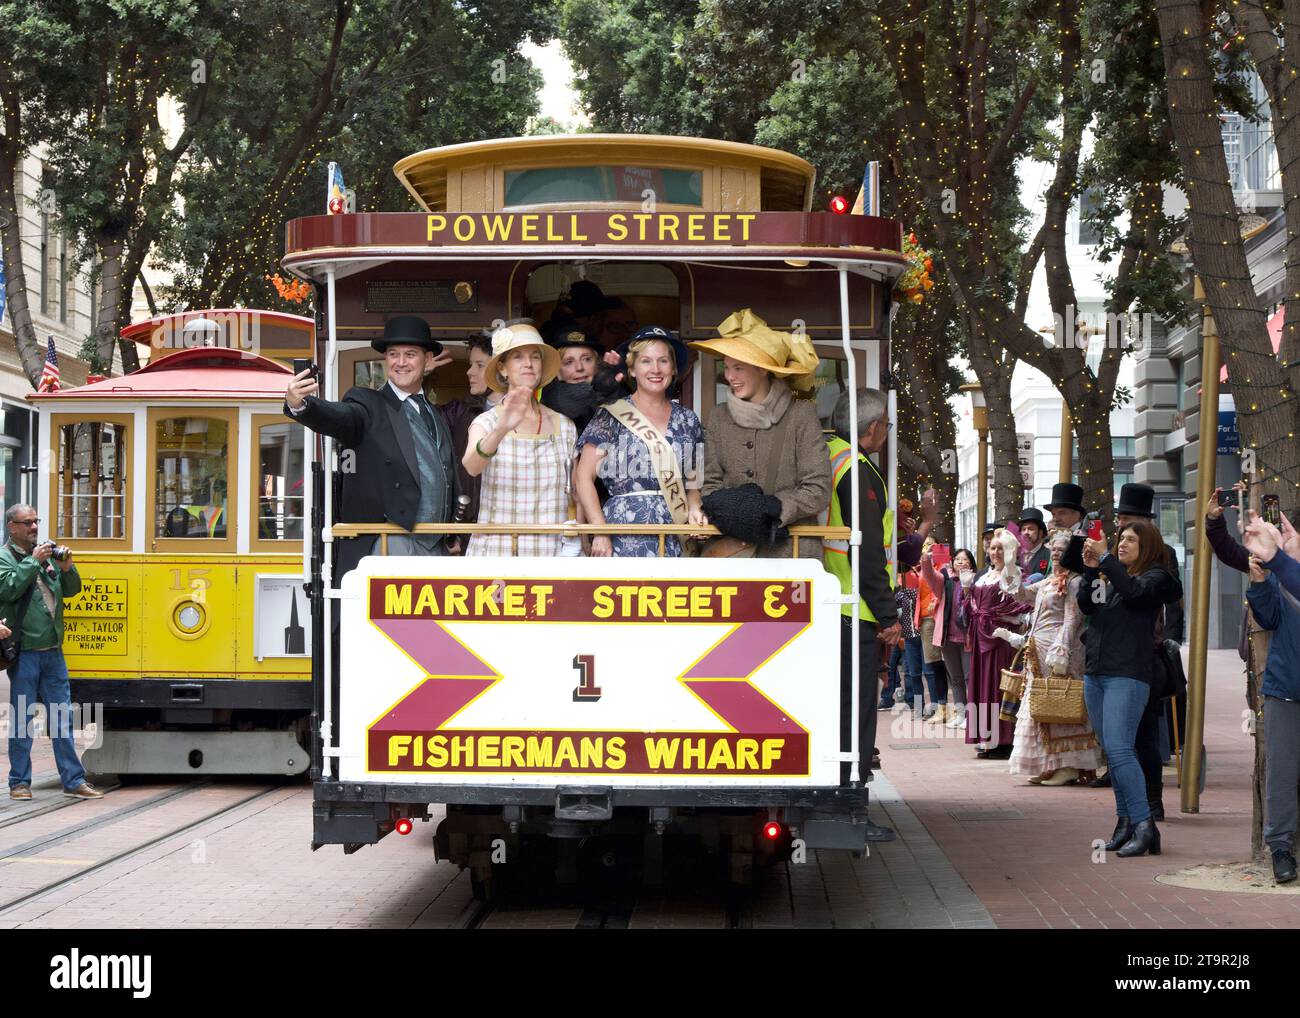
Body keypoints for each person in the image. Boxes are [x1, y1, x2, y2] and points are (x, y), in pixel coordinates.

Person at [286, 315, 458, 576]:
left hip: (438, 545)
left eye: (410, 354)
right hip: (390, 542)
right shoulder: (367, 404)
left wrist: (451, 532)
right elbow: (340, 415)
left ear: (428, 360)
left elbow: (446, 474)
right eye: (393, 354)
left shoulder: (436, 415)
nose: (400, 362)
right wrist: (301, 404)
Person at [821, 387, 901, 842]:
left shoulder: (833, 456)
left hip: (837, 602)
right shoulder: (857, 470)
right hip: (856, 607)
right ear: (872, 428)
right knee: (857, 715)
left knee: (843, 710)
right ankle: (849, 806)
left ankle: (842, 801)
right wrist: (890, 616)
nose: (885, 433)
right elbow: (869, 551)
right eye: (886, 426)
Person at [693, 309, 830, 560]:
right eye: (727, 368)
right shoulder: (718, 416)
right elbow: (709, 483)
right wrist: (734, 511)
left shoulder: (801, 414)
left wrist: (775, 508)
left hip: (792, 554)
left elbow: (818, 489)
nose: (730, 377)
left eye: (739, 368)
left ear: (762, 369)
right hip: (734, 556)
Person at [1078, 520, 1178, 857]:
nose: (1122, 544)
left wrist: (1105, 558)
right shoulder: (1111, 576)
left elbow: (1136, 594)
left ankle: (1144, 824)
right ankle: (1125, 823)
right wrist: (1092, 571)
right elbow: (1088, 606)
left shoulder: (1157, 578)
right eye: (1120, 539)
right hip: (1097, 673)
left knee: (1121, 749)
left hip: (1129, 673)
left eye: (1130, 540)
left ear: (1147, 545)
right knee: (1113, 752)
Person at [573, 328, 705, 557]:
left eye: (663, 361)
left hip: (677, 533)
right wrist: (600, 531)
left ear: (673, 369)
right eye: (646, 361)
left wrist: (694, 507)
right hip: (622, 535)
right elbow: (583, 478)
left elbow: (694, 481)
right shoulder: (611, 415)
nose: (655, 369)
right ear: (632, 370)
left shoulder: (689, 420)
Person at [1, 505, 102, 801]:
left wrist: (68, 567)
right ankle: (19, 782)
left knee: (62, 718)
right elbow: (8, 590)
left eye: (36, 521)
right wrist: (33, 562)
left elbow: (71, 590)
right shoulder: (5, 558)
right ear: (11, 527)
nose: (34, 527)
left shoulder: (46, 556)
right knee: (22, 718)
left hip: (53, 652)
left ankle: (73, 780)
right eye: (27, 522)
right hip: (25, 652)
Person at [463, 321, 577, 557]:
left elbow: (574, 492)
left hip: (551, 552)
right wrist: (501, 428)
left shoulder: (564, 426)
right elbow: (471, 466)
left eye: (535, 357)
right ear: (503, 368)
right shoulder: (486, 422)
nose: (528, 363)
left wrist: (577, 540)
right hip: (497, 553)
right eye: (518, 357)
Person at [994, 531, 1100, 785]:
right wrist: (1010, 562)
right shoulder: (1049, 582)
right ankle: (1051, 763)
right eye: (1053, 548)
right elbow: (1019, 594)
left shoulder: (1074, 582)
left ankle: (1070, 765)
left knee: (1061, 704)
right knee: (1042, 706)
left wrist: (1062, 648)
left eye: (1061, 549)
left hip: (1058, 651)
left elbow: (1072, 619)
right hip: (1037, 652)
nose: (1055, 552)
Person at [1115, 481, 1185, 820]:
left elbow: (1171, 599)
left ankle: (1151, 802)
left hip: (1147, 651)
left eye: (1128, 521)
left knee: (1145, 732)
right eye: (1121, 522)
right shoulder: (1114, 558)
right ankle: (1132, 803)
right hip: (1115, 654)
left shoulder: (1161, 557)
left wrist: (1171, 639)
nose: (1122, 529)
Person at [1245, 550, 1300, 883]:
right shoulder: (1281, 577)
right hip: (1285, 689)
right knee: (1281, 772)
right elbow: (1266, 618)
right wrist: (1261, 582)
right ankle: (1280, 849)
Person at [962, 528, 1034, 758]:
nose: (996, 552)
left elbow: (1020, 606)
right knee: (983, 685)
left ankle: (1004, 739)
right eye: (993, 547)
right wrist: (966, 592)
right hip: (981, 637)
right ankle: (987, 737)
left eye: (1001, 548)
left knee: (999, 686)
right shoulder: (984, 576)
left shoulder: (1013, 575)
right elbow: (973, 605)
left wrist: (1000, 620)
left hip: (1002, 639)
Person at [437, 331, 498, 526]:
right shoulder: (459, 412)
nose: (469, 371)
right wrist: (416, 376)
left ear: (503, 368)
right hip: (467, 528)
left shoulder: (530, 415)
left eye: (479, 365)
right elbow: (414, 419)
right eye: (472, 364)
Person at [922, 547, 974, 730]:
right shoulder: (945, 581)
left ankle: (971, 716)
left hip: (968, 638)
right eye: (957, 559)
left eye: (964, 559)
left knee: (969, 678)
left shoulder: (976, 581)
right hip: (948, 637)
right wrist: (926, 558)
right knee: (956, 679)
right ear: (952, 563)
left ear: (971, 563)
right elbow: (929, 575)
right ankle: (960, 714)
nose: (960, 562)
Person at [1019, 508, 1051, 577]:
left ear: (1040, 533)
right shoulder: (1015, 555)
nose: (1026, 533)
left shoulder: (1049, 554)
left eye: (1031, 529)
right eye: (1023, 529)